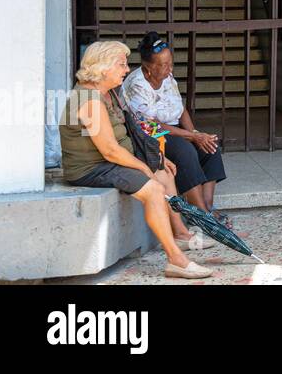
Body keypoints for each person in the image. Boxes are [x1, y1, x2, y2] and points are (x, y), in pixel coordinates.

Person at [59, 40, 213, 280]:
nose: (126, 69)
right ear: (103, 67)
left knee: (164, 171)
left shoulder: (106, 93)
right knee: (152, 188)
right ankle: (176, 260)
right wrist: (143, 167)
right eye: (121, 64)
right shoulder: (88, 100)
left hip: (108, 163)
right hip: (92, 169)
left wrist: (155, 160)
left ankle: (180, 234)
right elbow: (109, 151)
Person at [122, 31, 228, 221]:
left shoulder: (167, 77)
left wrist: (195, 133)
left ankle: (207, 208)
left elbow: (180, 108)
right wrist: (191, 137)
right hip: (149, 134)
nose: (169, 69)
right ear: (148, 68)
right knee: (185, 151)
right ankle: (201, 214)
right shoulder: (137, 85)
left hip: (173, 128)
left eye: (170, 63)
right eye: (163, 65)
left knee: (210, 146)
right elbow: (151, 126)